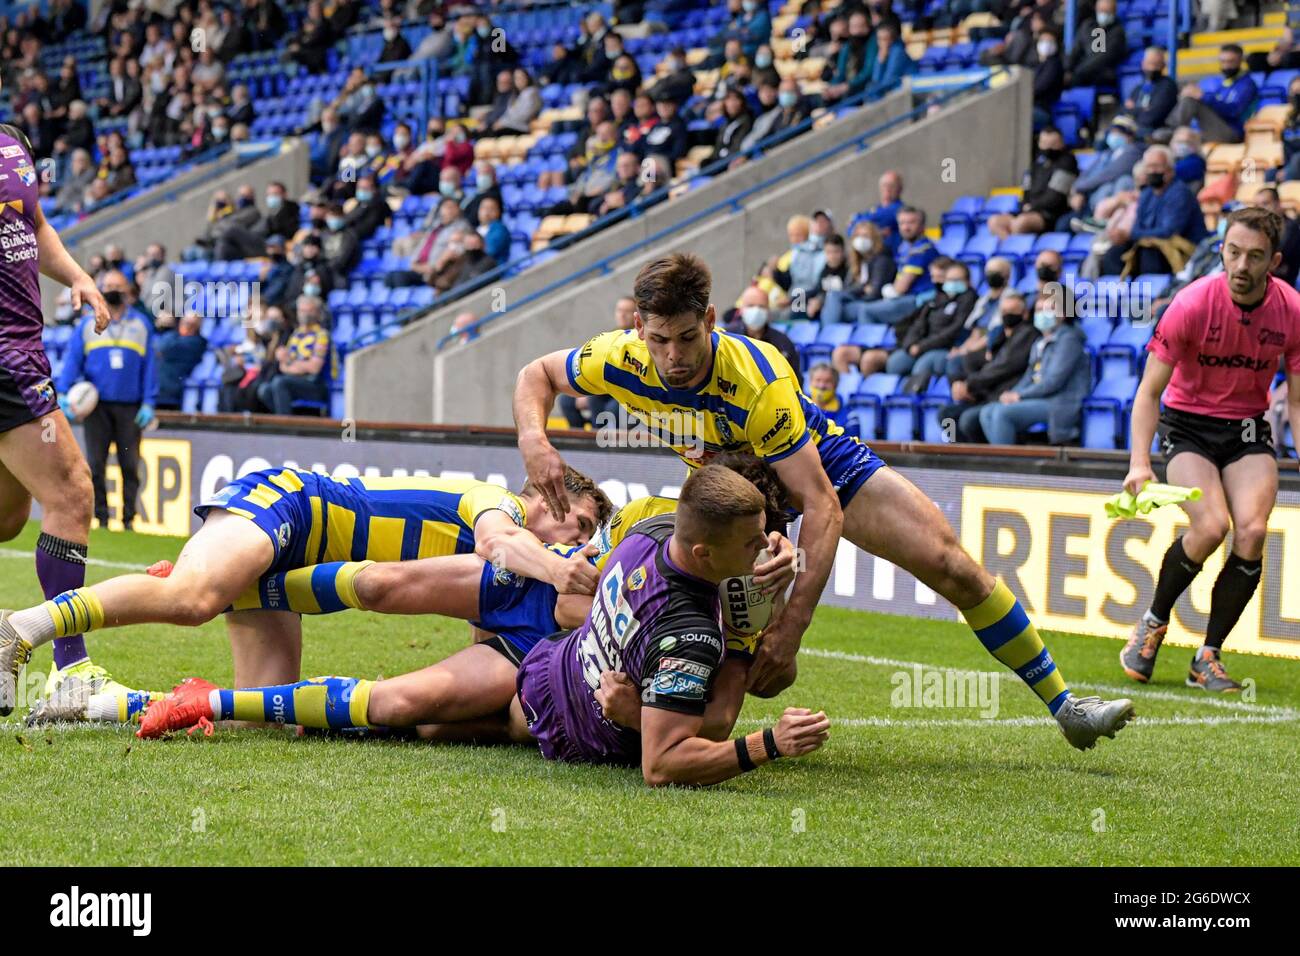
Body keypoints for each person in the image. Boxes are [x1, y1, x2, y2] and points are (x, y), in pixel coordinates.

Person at [513, 253, 1135, 750]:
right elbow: (535, 376)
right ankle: (563, 683)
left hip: (818, 466)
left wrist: (791, 630)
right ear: (638, 330)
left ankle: (1066, 705)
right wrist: (535, 440)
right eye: (657, 340)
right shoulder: (618, 358)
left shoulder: (759, 381)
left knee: (950, 564)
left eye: (684, 338)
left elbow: (822, 502)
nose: (671, 358)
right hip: (730, 493)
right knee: (611, 577)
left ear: (708, 320)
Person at [1, 467, 612, 713]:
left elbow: (491, 641)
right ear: (542, 498)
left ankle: (97, 702)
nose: (575, 539)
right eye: (575, 522)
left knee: (256, 717)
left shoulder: (506, 573)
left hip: (291, 558)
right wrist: (560, 570)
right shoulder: (497, 505)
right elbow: (499, 543)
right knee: (192, 599)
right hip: (294, 503)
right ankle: (19, 628)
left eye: (586, 535)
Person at [1120, 207, 1300, 693]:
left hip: (1245, 430)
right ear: (1221, 250)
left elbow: (1298, 402)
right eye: (1234, 253)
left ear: (1274, 261)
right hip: (1188, 427)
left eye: (1255, 256)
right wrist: (1139, 461)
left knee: (1252, 531)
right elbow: (1147, 392)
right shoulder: (1191, 303)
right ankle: (1153, 624)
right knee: (1210, 525)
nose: (1242, 266)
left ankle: (1208, 657)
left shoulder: (1291, 311)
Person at [0, 112, 130, 714]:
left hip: (25, 346)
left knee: (5, 518)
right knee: (74, 493)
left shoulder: (13, 141)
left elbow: (35, 223)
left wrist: (80, 276)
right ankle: (70, 671)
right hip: (8, 357)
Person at [56, 269, 157, 530]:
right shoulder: (86, 325)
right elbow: (72, 361)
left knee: (129, 466)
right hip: (96, 408)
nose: (113, 288)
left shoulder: (141, 325)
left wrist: (149, 401)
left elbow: (150, 367)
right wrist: (64, 392)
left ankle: (128, 520)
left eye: (118, 285)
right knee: (96, 465)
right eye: (108, 284)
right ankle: (101, 518)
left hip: (130, 408)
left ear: (128, 290)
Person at [977, 290, 1089, 446]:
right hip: (1039, 398)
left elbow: (1053, 381)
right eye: (1038, 310)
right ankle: (1004, 460)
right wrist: (1013, 393)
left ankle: (1007, 464)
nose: (1041, 314)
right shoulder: (1039, 342)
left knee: (1002, 414)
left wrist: (1020, 396)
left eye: (1048, 310)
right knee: (987, 411)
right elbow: (1029, 376)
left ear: (1062, 315)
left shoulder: (1069, 340)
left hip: (1059, 402)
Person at [939, 292, 1039, 443]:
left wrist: (970, 385)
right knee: (946, 414)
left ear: (1024, 314)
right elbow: (971, 359)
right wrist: (960, 384)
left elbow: (1004, 367)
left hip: (1001, 394)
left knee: (968, 420)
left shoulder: (1027, 334)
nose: (1007, 316)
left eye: (1013, 312)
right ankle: (958, 450)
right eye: (1004, 312)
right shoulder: (998, 334)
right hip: (983, 393)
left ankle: (981, 455)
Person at [1100, 144, 1206, 277]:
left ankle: (1153, 295)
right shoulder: (1146, 194)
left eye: (1156, 166)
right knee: (1114, 254)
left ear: (1169, 170)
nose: (1151, 171)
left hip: (1183, 250)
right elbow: (1137, 227)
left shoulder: (1180, 193)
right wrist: (1125, 235)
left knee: (1149, 253)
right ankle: (1120, 294)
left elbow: (1169, 232)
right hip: (1151, 245)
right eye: (1148, 167)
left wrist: (1131, 235)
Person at [851, 206, 937, 325]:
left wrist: (889, 292)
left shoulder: (922, 249)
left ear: (922, 226)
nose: (906, 227)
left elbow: (902, 287)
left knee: (866, 311)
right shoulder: (904, 247)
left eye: (911, 223)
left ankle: (868, 343)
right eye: (902, 223)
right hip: (905, 297)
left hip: (919, 299)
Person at [989, 126, 1078, 238]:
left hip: (1050, 213)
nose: (1048, 148)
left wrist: (1033, 206)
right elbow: (1026, 187)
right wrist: (1026, 204)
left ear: (1061, 143)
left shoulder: (1067, 162)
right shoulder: (1038, 161)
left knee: (1020, 223)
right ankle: (1008, 247)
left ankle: (1018, 250)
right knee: (994, 221)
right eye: (1044, 144)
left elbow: (1055, 197)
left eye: (1052, 144)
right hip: (1029, 209)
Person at [1161, 44, 1257, 145]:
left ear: (1240, 61)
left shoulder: (1247, 85)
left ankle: (1171, 131)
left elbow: (1233, 111)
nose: (1226, 66)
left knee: (1191, 101)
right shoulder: (1216, 81)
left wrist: (1203, 96)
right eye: (1223, 61)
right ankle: (1171, 131)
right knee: (1189, 97)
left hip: (1232, 132)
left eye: (1231, 62)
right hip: (1209, 128)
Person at [257, 296, 331, 415]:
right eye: (301, 311)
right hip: (295, 380)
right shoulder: (296, 334)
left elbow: (314, 368)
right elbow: (283, 365)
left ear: (317, 313)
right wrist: (298, 366)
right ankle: (287, 418)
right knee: (264, 389)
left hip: (315, 385)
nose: (305, 315)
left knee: (279, 382)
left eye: (309, 311)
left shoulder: (321, 335)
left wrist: (292, 364)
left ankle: (284, 425)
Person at [729, 284, 802, 373]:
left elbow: (795, 379)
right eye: (751, 305)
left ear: (768, 309)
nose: (756, 311)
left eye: (761, 306)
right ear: (741, 309)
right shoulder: (728, 338)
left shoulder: (782, 342)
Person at [153, 310, 207, 411]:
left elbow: (164, 347)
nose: (186, 327)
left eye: (191, 324)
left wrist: (170, 327)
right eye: (184, 322)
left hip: (171, 392)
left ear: (197, 327)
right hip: (157, 390)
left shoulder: (197, 343)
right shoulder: (175, 337)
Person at [1125, 46, 1178, 138]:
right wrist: (1143, 109)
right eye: (1149, 64)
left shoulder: (1167, 86)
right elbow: (1124, 111)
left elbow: (1152, 117)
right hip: (1132, 127)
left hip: (1154, 131)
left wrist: (1134, 109)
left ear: (1163, 66)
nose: (1152, 68)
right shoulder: (1138, 88)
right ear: (1143, 64)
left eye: (1156, 65)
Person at [807, 363, 846, 427]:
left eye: (827, 381)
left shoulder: (848, 416)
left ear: (836, 385)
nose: (822, 386)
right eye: (818, 380)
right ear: (810, 382)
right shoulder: (800, 408)